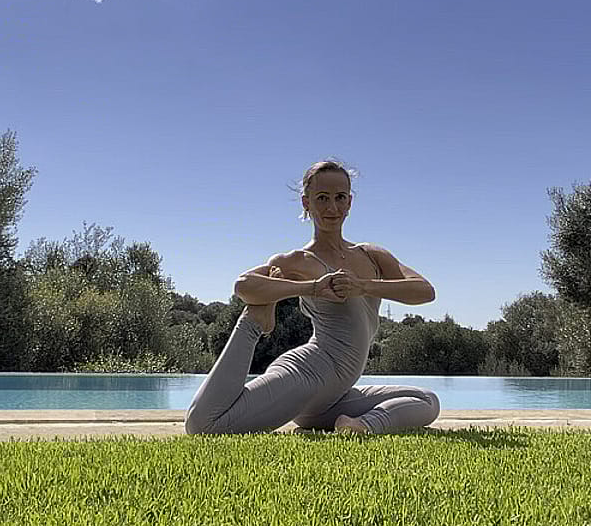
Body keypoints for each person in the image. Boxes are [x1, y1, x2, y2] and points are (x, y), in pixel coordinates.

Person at [185, 159, 441, 435]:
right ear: (306, 203)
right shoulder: (300, 260)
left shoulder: (371, 255)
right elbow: (244, 285)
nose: (332, 207)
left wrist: (363, 287)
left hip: (333, 396)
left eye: (340, 197)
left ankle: (360, 426)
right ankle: (255, 319)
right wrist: (312, 288)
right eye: (322, 198)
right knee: (203, 425)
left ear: (350, 202)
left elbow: (424, 291)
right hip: (308, 372)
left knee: (427, 400)